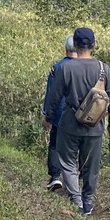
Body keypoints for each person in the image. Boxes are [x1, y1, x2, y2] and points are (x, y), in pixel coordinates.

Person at [42, 26, 110, 215]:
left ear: (74, 44)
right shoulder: (103, 68)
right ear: (93, 45)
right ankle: (88, 201)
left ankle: (76, 200)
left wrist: (48, 118)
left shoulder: (66, 67)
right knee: (91, 165)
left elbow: (55, 96)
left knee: (67, 162)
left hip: (69, 124)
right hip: (95, 126)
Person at [42, 34, 76, 190]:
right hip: (79, 115)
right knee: (74, 147)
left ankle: (55, 176)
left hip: (59, 113)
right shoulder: (86, 67)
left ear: (66, 48)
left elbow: (51, 93)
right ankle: (75, 180)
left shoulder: (57, 67)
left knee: (55, 144)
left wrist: (47, 115)